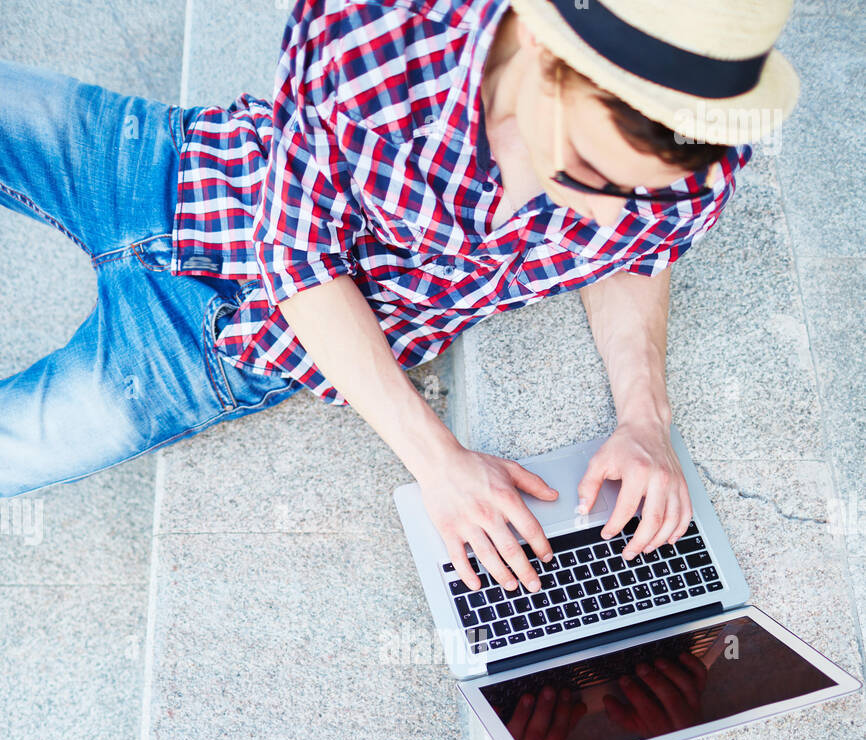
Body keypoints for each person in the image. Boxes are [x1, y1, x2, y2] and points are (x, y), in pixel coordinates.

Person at [0, 0, 798, 597]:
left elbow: (634, 256)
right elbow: (299, 259)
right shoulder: (377, 32)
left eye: (646, 195)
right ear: (550, 53)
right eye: (593, 169)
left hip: (206, 355)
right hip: (161, 160)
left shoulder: (698, 150)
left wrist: (645, 420)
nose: (604, 218)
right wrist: (439, 465)